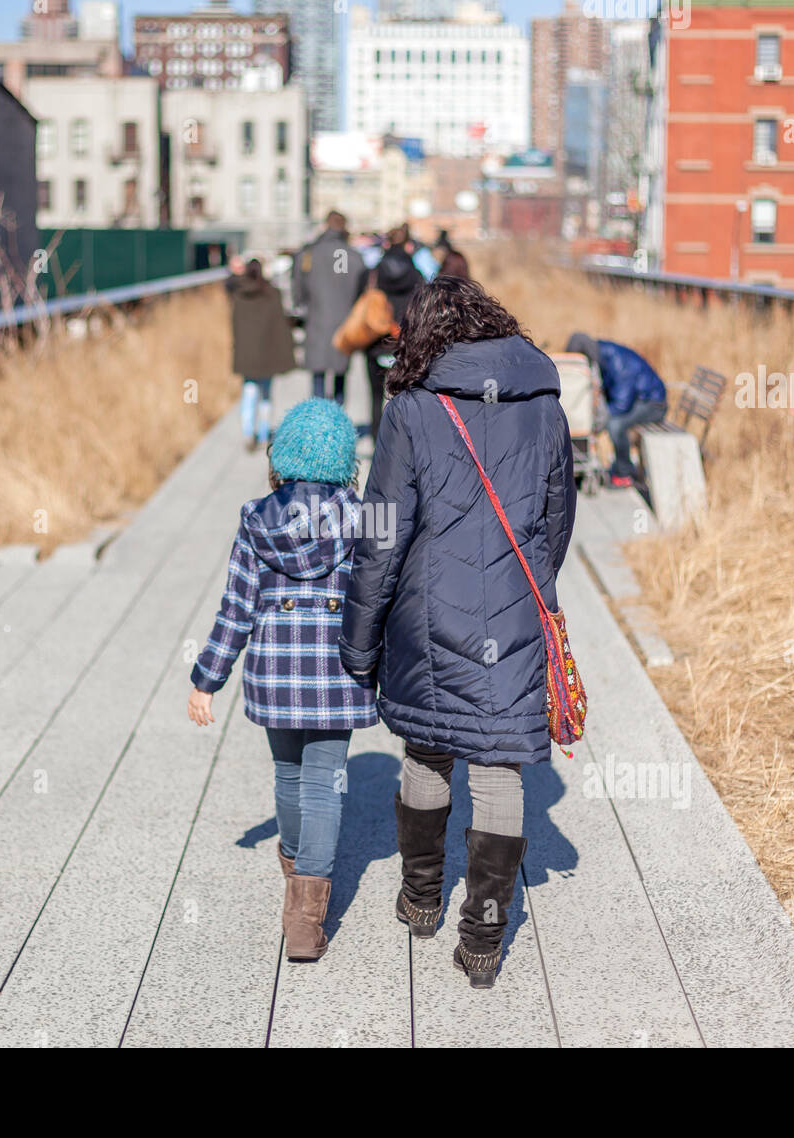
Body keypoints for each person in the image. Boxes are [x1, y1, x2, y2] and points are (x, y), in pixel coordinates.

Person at [340, 277, 577, 990]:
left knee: (429, 750)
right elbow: (558, 515)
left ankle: (420, 898)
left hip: (426, 609)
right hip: (513, 609)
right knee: (500, 766)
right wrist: (528, 576)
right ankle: (483, 936)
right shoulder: (542, 401)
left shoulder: (413, 406)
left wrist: (359, 636)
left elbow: (382, 535)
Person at [188, 399, 377, 963]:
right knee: (324, 782)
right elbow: (379, 599)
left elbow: (235, 609)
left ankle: (295, 867)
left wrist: (207, 679)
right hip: (339, 674)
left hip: (274, 674)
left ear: (281, 457)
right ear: (345, 462)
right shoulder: (366, 519)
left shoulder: (255, 519)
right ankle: (304, 917)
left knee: (288, 774)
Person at [565, 332, 668, 488]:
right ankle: (621, 466)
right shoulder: (601, 353)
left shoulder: (617, 362)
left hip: (653, 404)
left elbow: (621, 405)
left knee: (615, 425)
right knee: (609, 421)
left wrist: (598, 422)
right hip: (639, 400)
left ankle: (624, 473)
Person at [293, 211, 367, 405]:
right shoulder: (355, 256)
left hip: (317, 322)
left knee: (317, 376)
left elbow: (298, 292)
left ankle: (319, 423)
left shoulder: (309, 254)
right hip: (344, 325)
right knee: (340, 377)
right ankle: (338, 421)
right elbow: (362, 292)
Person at [364, 224, 425, 437]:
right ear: (408, 245)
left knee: (374, 395)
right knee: (405, 396)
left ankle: (375, 439)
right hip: (404, 345)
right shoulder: (417, 275)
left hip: (376, 341)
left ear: (387, 243)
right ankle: (399, 440)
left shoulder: (374, 274)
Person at [229, 259, 296, 452]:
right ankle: (265, 433)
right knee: (266, 394)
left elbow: (235, 325)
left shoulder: (239, 295)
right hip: (268, 353)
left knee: (249, 392)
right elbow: (280, 325)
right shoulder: (272, 293)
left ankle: (248, 432)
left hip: (247, 353)